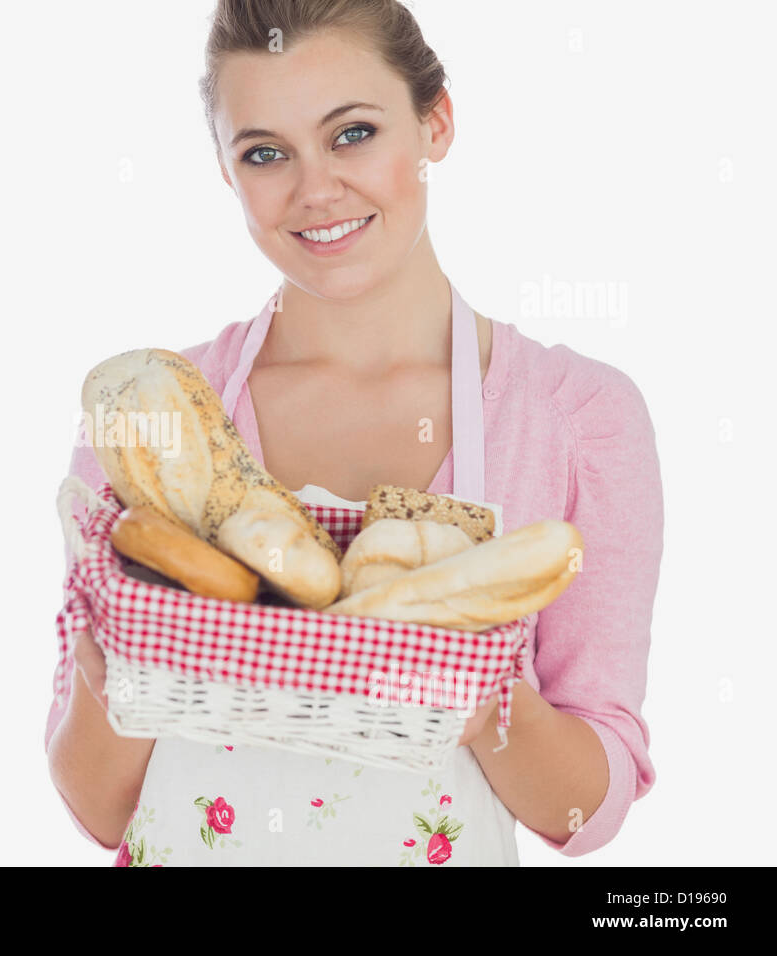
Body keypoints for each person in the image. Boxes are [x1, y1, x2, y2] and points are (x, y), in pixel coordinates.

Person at [46, 0, 663, 866]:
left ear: (436, 122)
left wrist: (484, 701)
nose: (316, 191)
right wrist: (113, 662)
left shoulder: (576, 419)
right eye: (265, 153)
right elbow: (101, 809)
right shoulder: (152, 423)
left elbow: (582, 816)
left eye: (353, 134)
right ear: (227, 172)